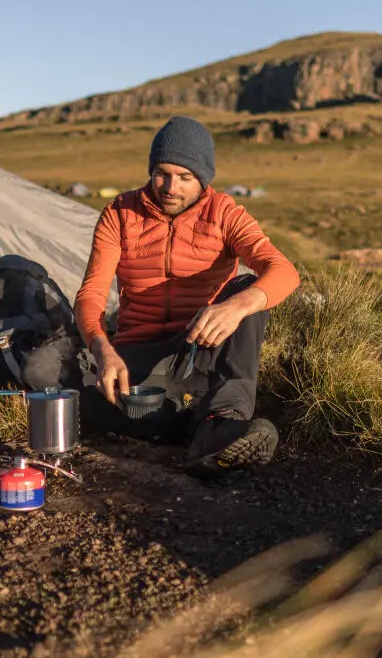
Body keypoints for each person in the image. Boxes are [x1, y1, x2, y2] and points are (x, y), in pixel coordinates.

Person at [73, 115, 300, 477]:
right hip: (140, 354)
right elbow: (91, 293)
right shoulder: (119, 213)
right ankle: (207, 431)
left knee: (248, 291)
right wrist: (102, 348)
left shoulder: (224, 212)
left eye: (185, 177)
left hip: (203, 348)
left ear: (203, 178)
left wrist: (237, 306)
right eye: (162, 173)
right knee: (79, 393)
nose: (170, 187)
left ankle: (221, 421)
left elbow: (284, 272)